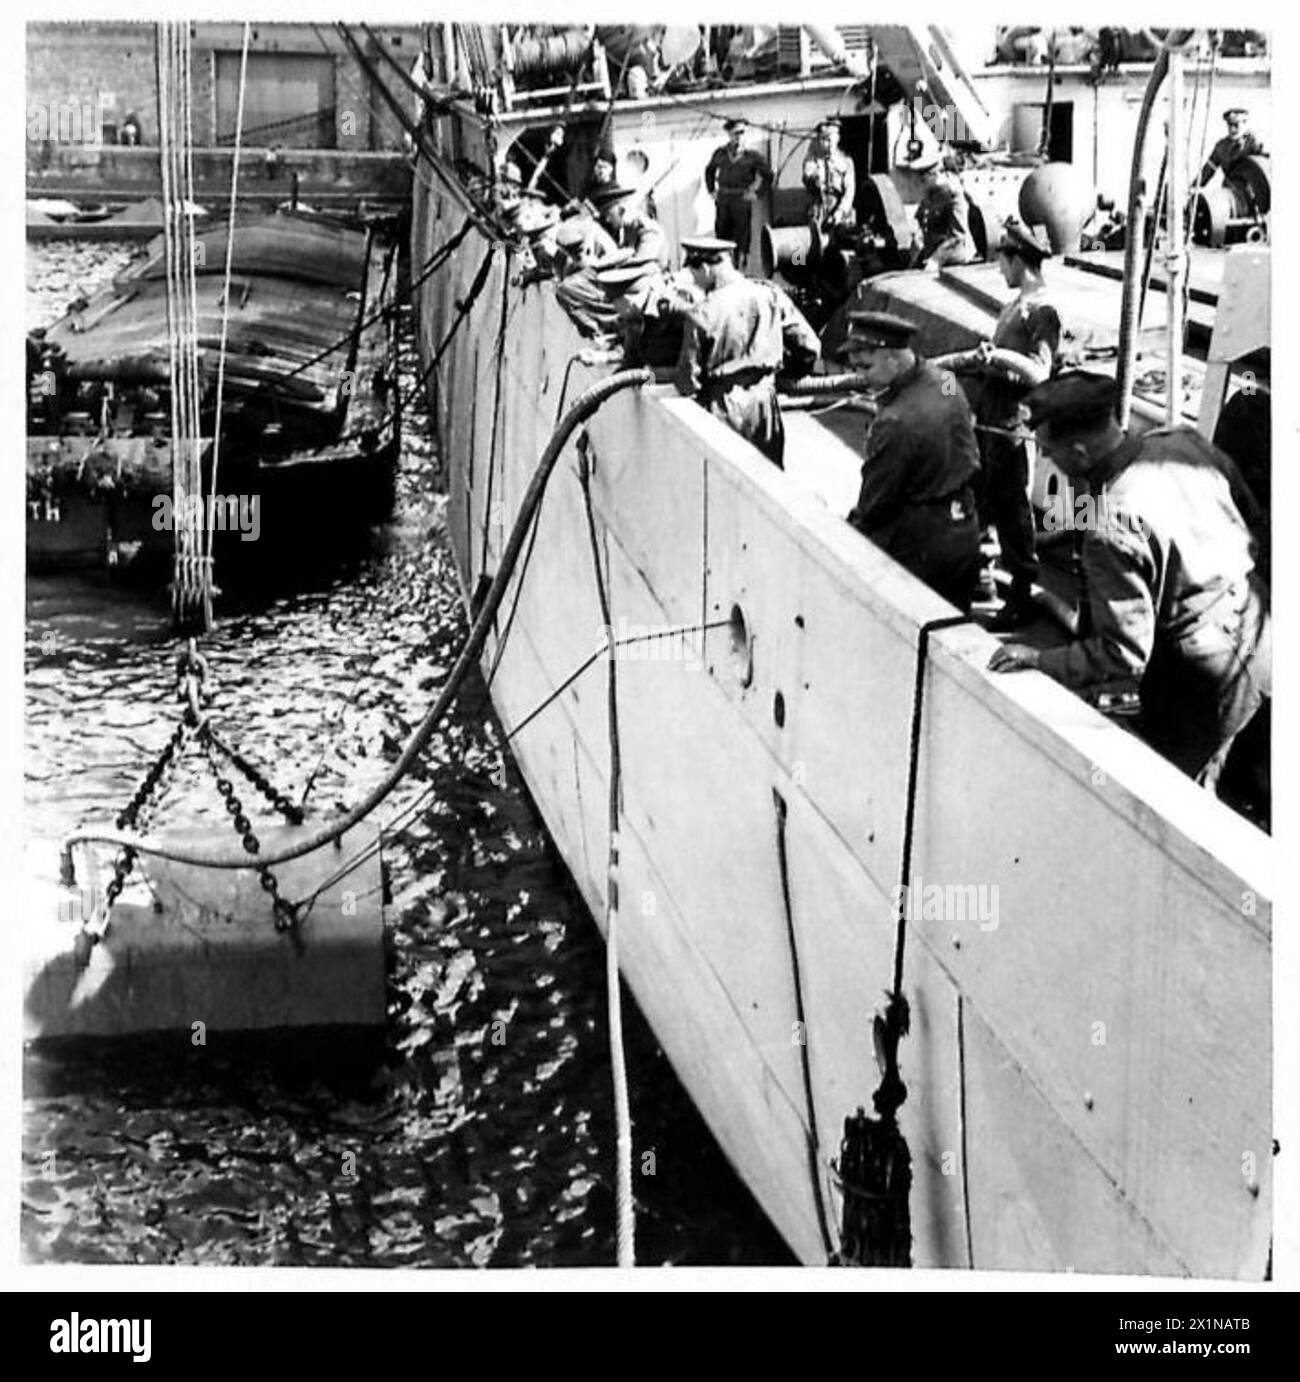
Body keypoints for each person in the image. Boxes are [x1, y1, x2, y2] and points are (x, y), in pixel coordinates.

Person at [988, 372, 1271, 799]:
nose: (1045, 457)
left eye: (1047, 451)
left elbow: (1122, 655)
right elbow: (1253, 520)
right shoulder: (1183, 442)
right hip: (1262, 626)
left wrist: (1037, 659)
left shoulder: (1111, 525)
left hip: (1205, 676)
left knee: (1182, 798)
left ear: (1079, 452)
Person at [842, 310, 983, 611]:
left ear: (892, 357)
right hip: (964, 530)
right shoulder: (945, 379)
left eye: (866, 367)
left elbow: (875, 506)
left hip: (922, 547)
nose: (860, 377)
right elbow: (960, 419)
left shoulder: (895, 422)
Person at [968, 218, 1061, 626]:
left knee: (1010, 509)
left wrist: (999, 362)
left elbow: (1041, 370)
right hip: (991, 422)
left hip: (1012, 427)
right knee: (985, 499)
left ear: (1017, 260)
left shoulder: (1044, 312)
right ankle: (985, 580)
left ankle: (1021, 592)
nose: (999, 270)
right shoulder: (1015, 306)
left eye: (1002, 261)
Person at [674, 235, 819, 468]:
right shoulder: (771, 294)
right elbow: (809, 347)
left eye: (694, 273)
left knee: (726, 483)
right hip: (764, 405)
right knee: (767, 483)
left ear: (705, 268)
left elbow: (687, 381)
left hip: (722, 408)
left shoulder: (701, 312)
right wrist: (782, 375)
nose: (695, 281)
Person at [704, 118, 773, 268]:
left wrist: (757, 193)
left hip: (741, 199)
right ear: (729, 134)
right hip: (723, 199)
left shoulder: (752, 156)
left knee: (742, 237)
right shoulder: (721, 153)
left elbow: (768, 175)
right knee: (722, 234)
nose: (739, 137)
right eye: (736, 133)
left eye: (742, 133)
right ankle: (723, 266)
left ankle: (740, 268)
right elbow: (709, 171)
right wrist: (712, 191)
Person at [912, 150, 977, 269]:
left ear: (935, 174)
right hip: (932, 256)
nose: (920, 183)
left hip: (954, 259)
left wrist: (936, 259)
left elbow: (957, 237)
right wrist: (918, 236)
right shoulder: (930, 194)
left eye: (923, 179)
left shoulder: (952, 195)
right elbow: (921, 220)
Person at [590, 184, 669, 266]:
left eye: (607, 214)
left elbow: (640, 267)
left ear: (621, 210)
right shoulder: (626, 230)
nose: (607, 220)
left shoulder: (648, 231)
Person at [802, 118, 856, 231]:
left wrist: (839, 214)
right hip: (819, 212)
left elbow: (849, 193)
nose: (830, 144)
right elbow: (807, 176)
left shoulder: (846, 162)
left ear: (838, 139)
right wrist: (814, 179)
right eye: (826, 140)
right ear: (820, 141)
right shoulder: (812, 160)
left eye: (833, 140)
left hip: (841, 214)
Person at [1199, 108, 1266, 185]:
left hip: (1253, 191)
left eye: (1236, 125)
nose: (1232, 130)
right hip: (1230, 189)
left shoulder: (1254, 142)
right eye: (1229, 125)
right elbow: (1207, 170)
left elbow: (1266, 168)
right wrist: (1194, 187)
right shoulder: (1221, 147)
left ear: (1244, 123)